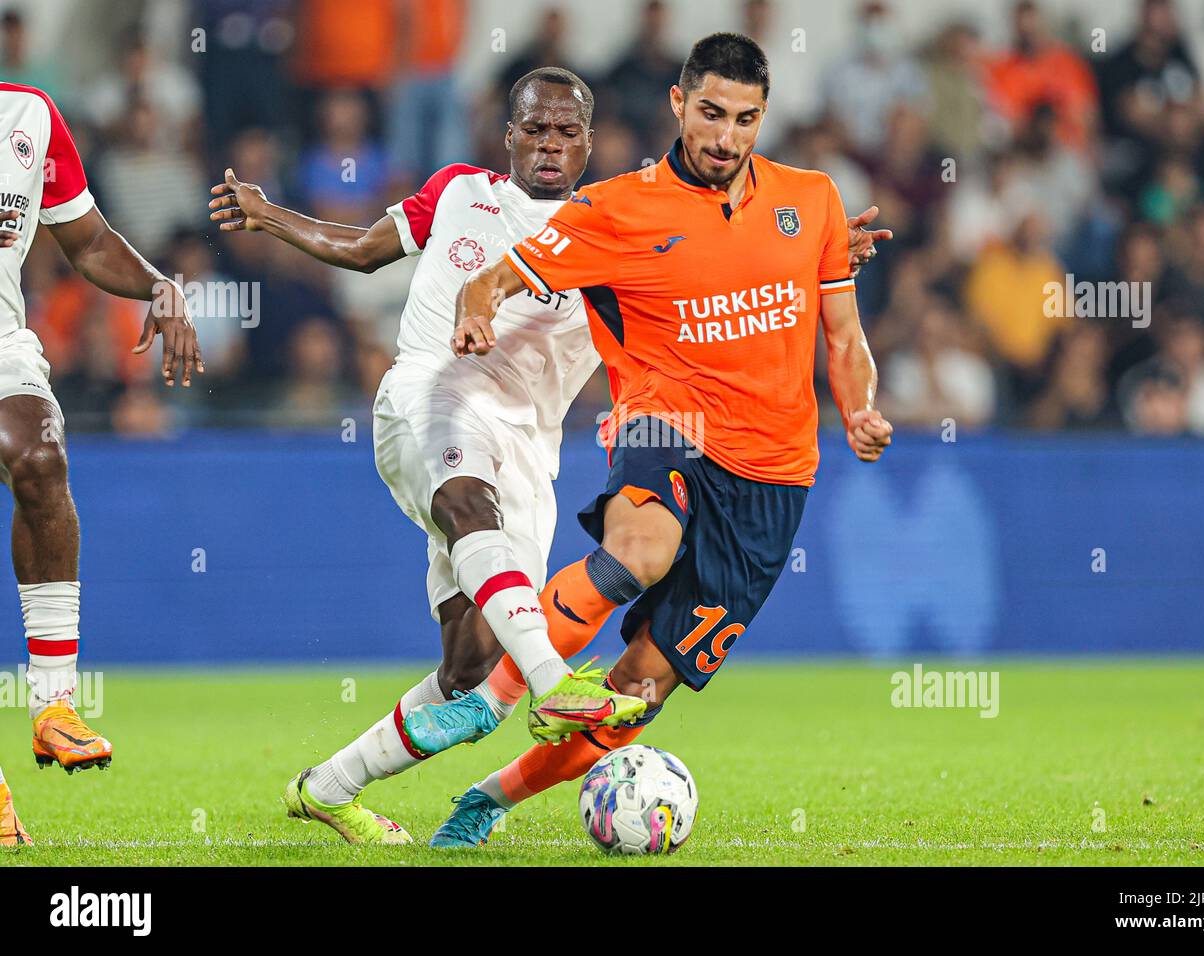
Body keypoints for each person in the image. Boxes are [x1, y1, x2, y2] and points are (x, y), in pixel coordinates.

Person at [209, 64, 885, 845]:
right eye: (535, 128)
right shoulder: (460, 190)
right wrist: (270, 216)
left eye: (567, 131)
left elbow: (717, 272)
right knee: (470, 507)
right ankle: (556, 684)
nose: (551, 144)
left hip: (529, 444)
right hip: (433, 391)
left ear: (589, 141)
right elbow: (364, 249)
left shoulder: (616, 230)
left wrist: (809, 257)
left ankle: (327, 787)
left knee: (471, 664)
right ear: (510, 136)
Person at [422, 32, 894, 847]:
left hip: (775, 475)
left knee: (640, 688)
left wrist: (858, 409)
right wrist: (476, 307)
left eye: (745, 119)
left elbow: (843, 337)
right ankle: (487, 698)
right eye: (710, 112)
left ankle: (487, 801)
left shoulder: (812, 200)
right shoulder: (618, 208)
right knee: (640, 548)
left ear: (763, 117)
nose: (725, 136)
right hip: (666, 420)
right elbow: (498, 273)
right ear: (679, 104)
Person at [0, 83, 201, 847]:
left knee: (42, 458)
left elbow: (85, 241)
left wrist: (158, 283)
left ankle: (54, 706)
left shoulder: (30, 116)